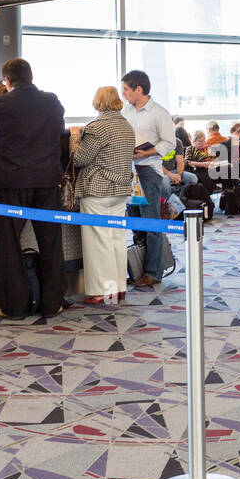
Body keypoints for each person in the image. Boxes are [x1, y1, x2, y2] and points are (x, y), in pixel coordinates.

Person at [0, 57, 66, 319]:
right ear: (31, 76)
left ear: (6, 81)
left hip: (12, 183)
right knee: (51, 242)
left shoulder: (1, 104)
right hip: (47, 182)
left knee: (9, 245)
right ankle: (53, 304)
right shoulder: (52, 101)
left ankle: (14, 306)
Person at [70, 86, 135, 305]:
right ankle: (119, 287)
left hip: (98, 189)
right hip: (121, 189)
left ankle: (103, 291)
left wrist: (74, 137)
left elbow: (79, 159)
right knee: (117, 237)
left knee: (99, 241)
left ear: (98, 102)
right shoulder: (126, 125)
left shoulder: (97, 127)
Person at [120, 69, 176, 288]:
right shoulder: (126, 111)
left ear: (139, 89)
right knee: (135, 222)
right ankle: (139, 268)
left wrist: (148, 152)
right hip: (130, 172)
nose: (123, 94)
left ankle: (154, 272)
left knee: (151, 223)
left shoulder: (159, 112)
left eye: (126, 89)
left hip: (148, 172)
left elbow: (169, 143)